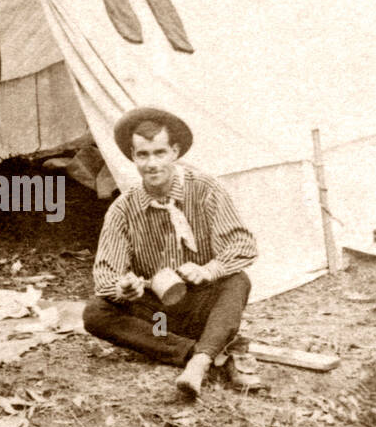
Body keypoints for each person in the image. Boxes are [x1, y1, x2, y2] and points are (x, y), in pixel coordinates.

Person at [83, 107, 263, 399]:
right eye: (143, 155)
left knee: (237, 281)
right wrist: (123, 287)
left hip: (201, 307)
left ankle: (200, 363)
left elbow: (242, 246)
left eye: (159, 153)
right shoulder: (123, 209)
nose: (152, 164)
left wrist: (207, 270)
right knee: (95, 312)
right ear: (132, 156)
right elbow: (105, 275)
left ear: (175, 152)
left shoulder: (205, 189)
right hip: (158, 317)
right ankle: (199, 351)